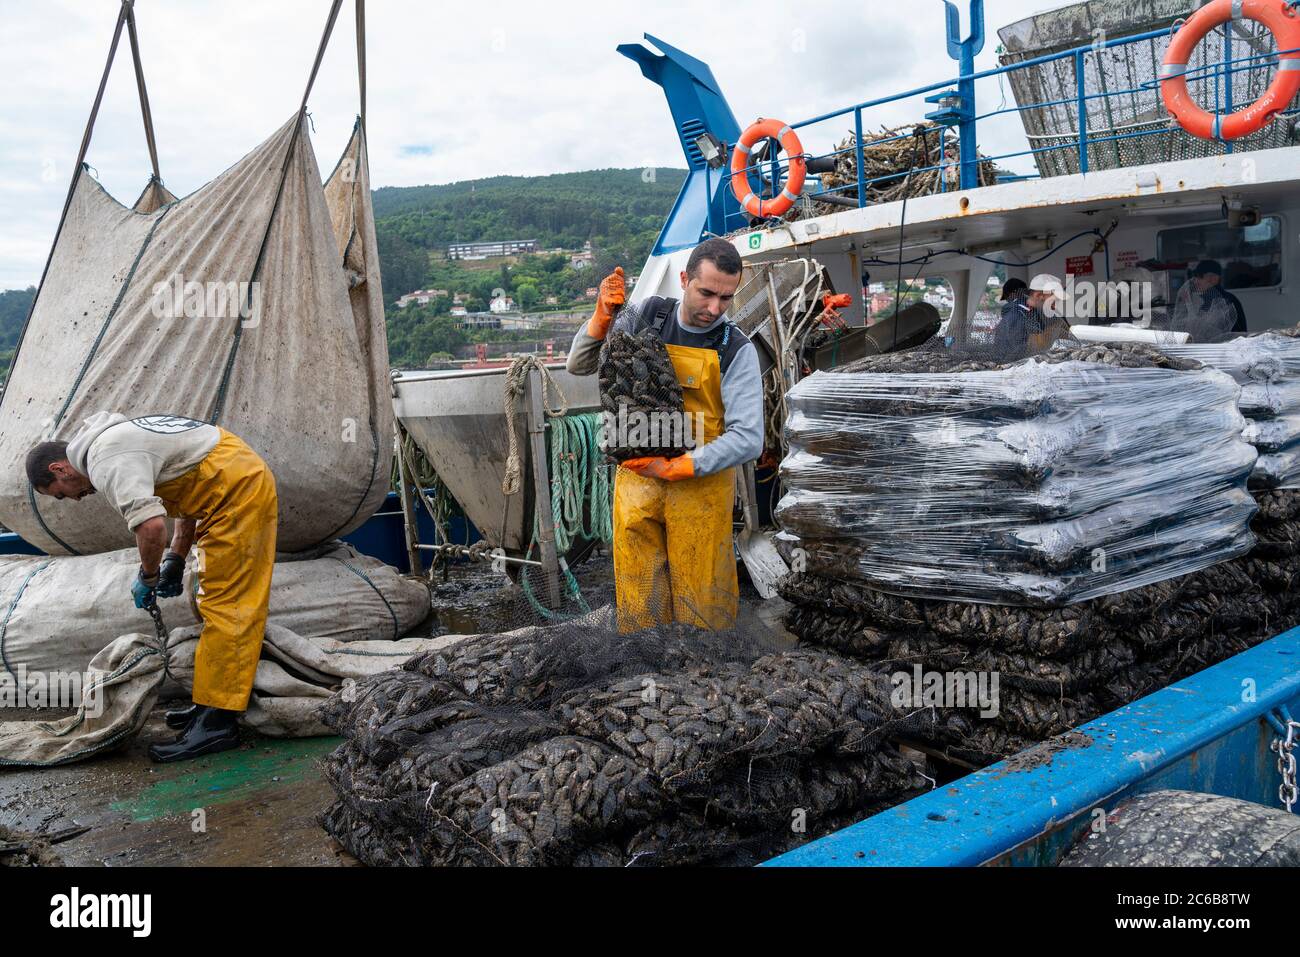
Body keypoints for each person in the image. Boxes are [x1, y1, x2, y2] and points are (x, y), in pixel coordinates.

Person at [25, 413, 278, 762]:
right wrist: (176, 555)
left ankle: (218, 724)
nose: (75, 499)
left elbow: (150, 527)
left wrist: (148, 575)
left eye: (60, 495)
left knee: (229, 606)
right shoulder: (117, 439)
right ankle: (209, 706)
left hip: (237, 494)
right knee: (214, 604)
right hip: (231, 480)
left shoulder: (105, 460)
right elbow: (190, 486)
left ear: (59, 470)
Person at [567, 238, 763, 631]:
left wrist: (679, 467)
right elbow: (579, 365)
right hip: (637, 484)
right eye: (706, 292)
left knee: (703, 609)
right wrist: (601, 319)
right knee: (640, 605)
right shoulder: (645, 316)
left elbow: (748, 438)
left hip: (700, 491)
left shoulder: (736, 349)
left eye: (726, 298)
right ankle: (646, 676)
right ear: (684, 278)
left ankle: (707, 681)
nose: (715, 308)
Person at [1172, 259, 1247, 341]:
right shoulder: (1222, 298)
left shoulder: (1221, 301)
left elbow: (1204, 331)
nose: (1195, 281)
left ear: (1214, 278)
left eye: (1200, 276)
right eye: (1195, 277)